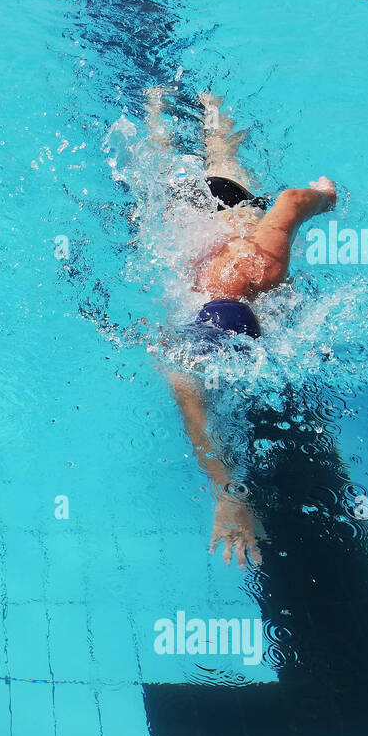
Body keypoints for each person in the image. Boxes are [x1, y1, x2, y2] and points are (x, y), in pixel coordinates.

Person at [144, 88, 337, 568]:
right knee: (199, 160)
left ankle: (158, 106)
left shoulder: (262, 269)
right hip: (193, 212)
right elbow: (292, 201)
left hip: (203, 214)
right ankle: (186, 107)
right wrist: (329, 198)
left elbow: (294, 201)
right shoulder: (260, 268)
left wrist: (325, 197)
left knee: (177, 163)